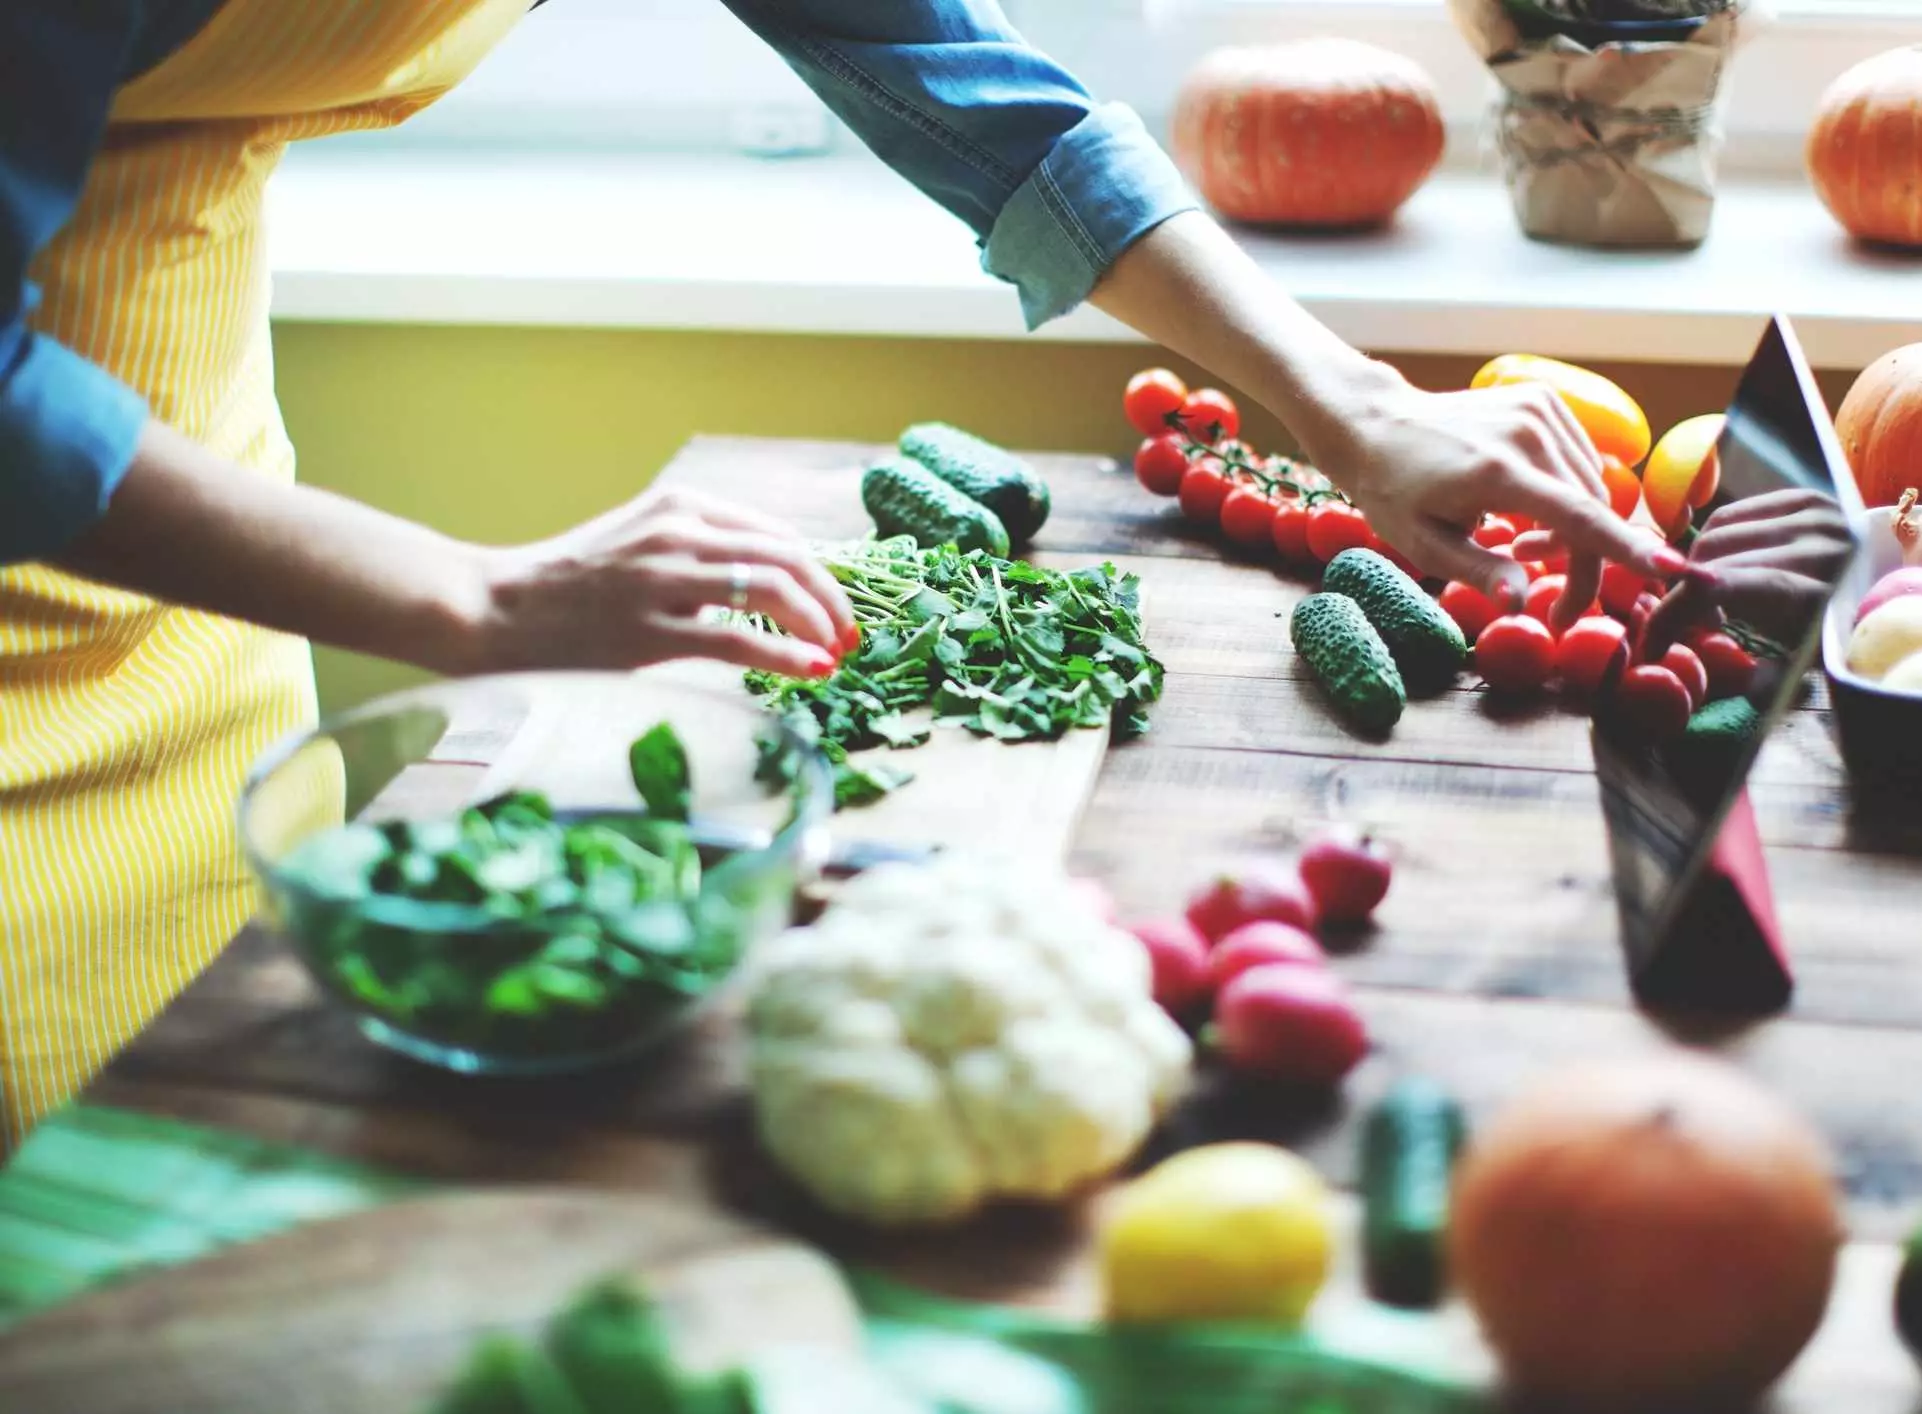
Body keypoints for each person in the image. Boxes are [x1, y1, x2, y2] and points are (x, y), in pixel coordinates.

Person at [0, 0, 1686, 1150]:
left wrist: (1362, 412)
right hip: (58, 496)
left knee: (201, 1099)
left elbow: (955, 78)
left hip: (197, 523)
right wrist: (475, 600)